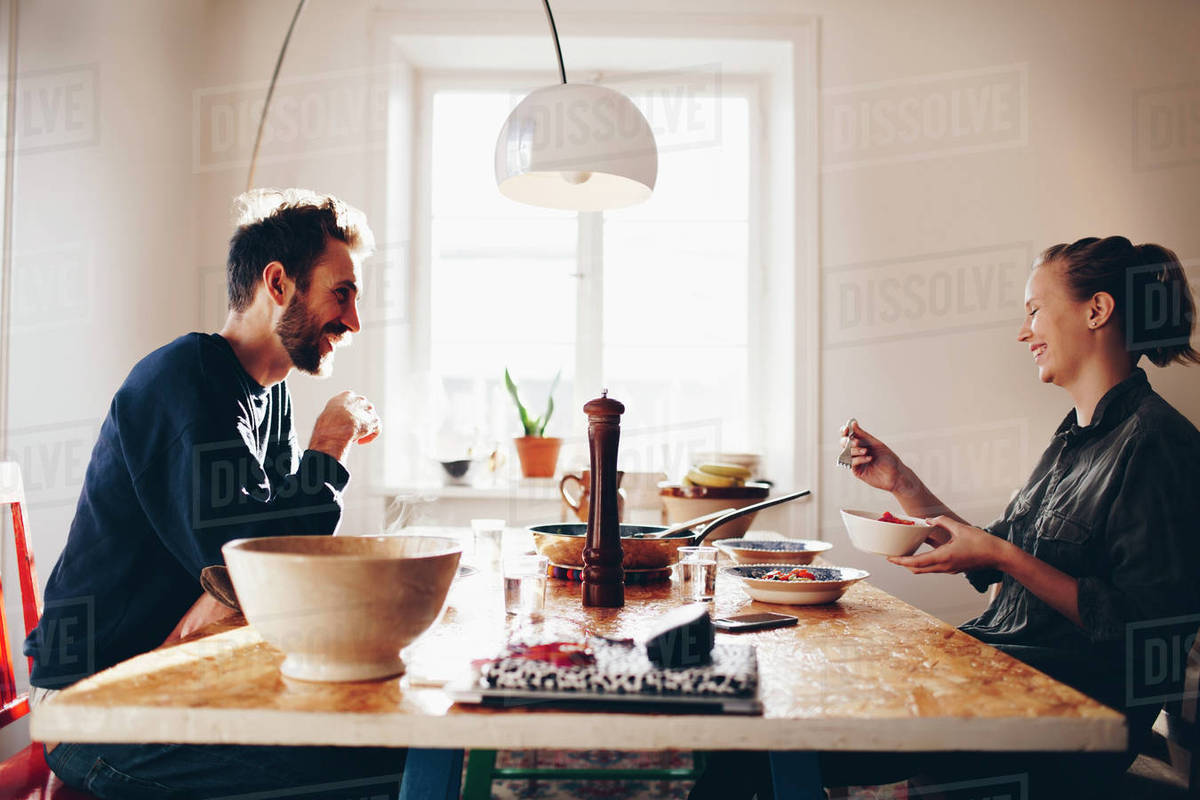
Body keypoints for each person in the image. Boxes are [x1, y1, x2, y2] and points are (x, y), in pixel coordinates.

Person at [690, 236, 1200, 800]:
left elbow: (1144, 632)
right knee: (759, 710)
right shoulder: (1073, 438)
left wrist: (1002, 555)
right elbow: (997, 550)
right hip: (992, 675)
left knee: (765, 739)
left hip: (1055, 716)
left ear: (1097, 310)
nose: (1023, 331)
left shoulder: (1160, 445)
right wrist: (902, 484)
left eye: (1033, 310)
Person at [24, 189, 406, 799]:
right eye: (342, 292)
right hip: (94, 702)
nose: (354, 321)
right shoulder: (184, 378)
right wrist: (330, 443)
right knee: (378, 775)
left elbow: (268, 560)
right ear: (278, 283)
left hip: (171, 675)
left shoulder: (269, 394)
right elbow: (256, 568)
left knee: (388, 740)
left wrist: (229, 600)